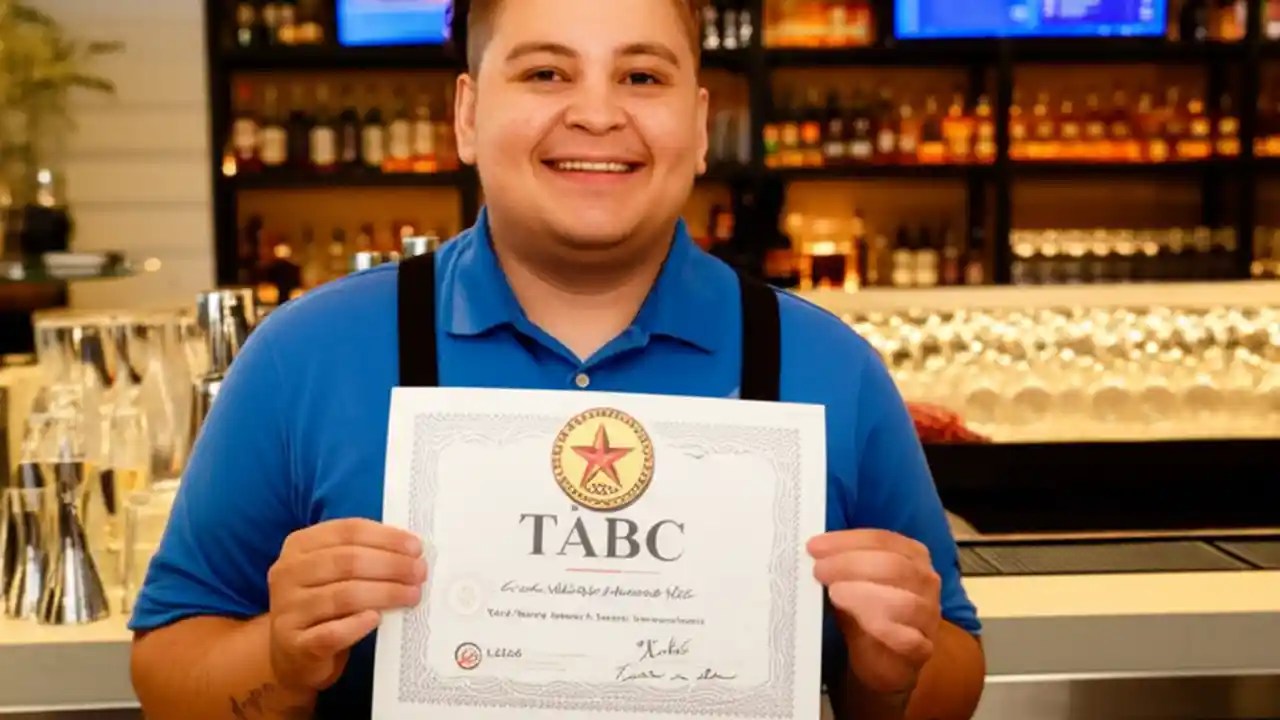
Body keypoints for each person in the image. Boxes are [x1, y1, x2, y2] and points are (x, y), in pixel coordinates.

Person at [128, 0, 986, 718]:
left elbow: (955, 669)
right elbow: (168, 669)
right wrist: (283, 655)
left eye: (641, 76)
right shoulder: (303, 356)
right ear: (467, 114)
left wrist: (891, 666)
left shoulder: (828, 366)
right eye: (546, 73)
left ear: (696, 120)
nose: (597, 113)